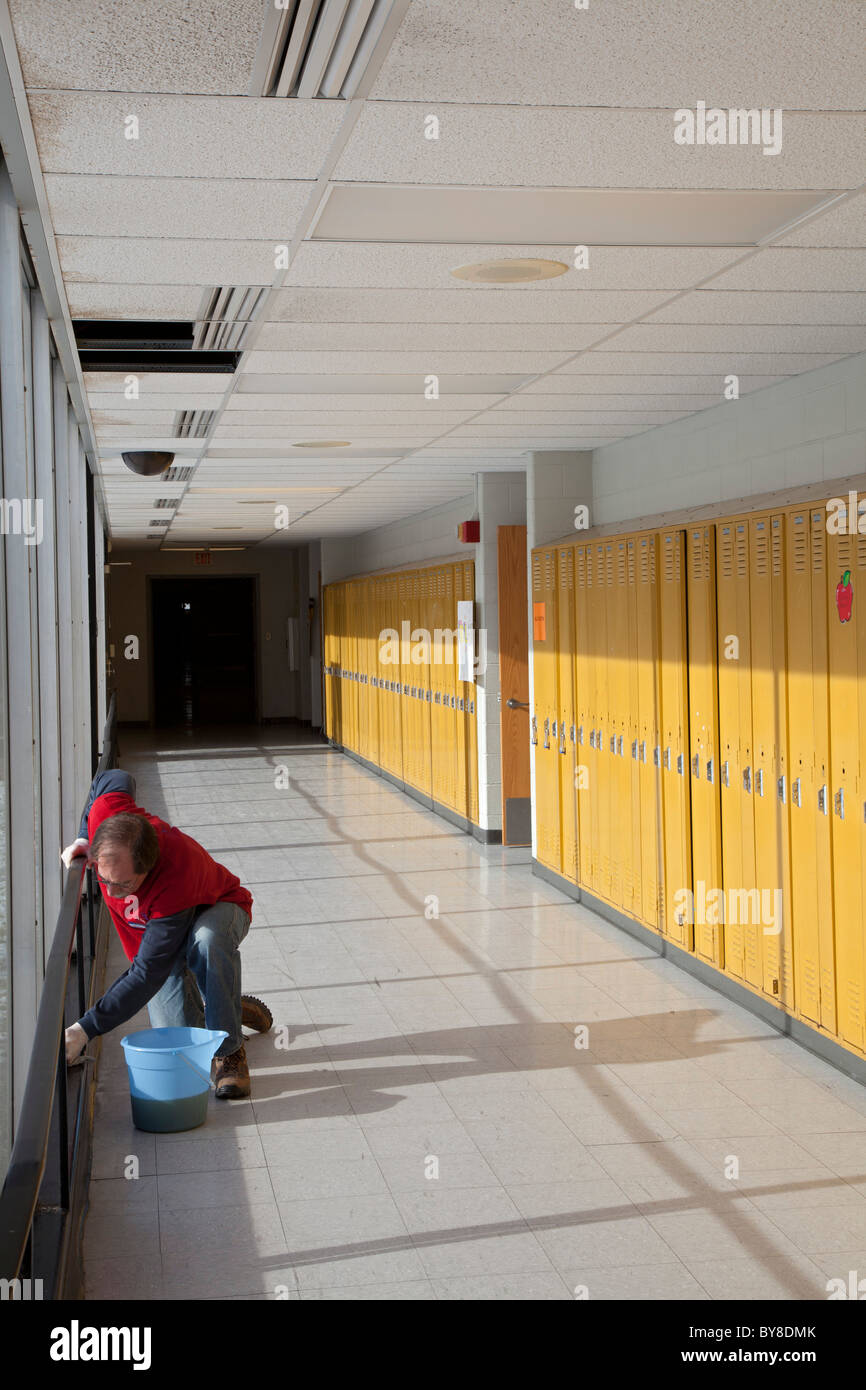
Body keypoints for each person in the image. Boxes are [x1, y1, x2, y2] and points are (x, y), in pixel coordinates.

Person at [61, 767, 272, 1099]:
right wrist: (84, 837)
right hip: (163, 927)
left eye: (125, 884)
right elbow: (115, 776)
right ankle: (226, 1008)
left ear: (148, 866)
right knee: (178, 1037)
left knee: (206, 942)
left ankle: (230, 1053)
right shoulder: (106, 814)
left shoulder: (175, 874)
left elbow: (147, 972)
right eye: (105, 879)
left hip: (219, 907)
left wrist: (83, 1029)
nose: (113, 894)